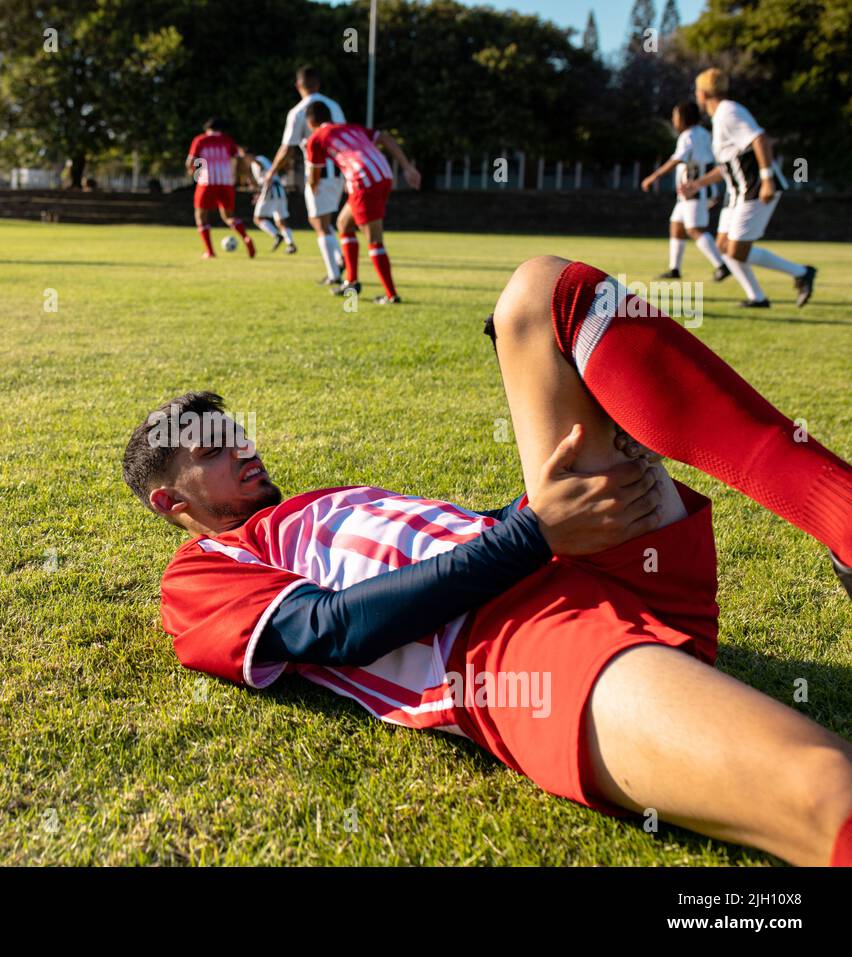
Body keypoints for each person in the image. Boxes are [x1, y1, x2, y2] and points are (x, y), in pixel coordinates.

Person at [122, 255, 852, 866]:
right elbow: (332, 628)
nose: (243, 452)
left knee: (538, 296)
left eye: (237, 435)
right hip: (511, 652)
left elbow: (478, 536)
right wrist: (530, 533)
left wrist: (538, 499)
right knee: (825, 790)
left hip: (585, 559)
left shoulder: (317, 501)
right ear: (168, 501)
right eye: (213, 452)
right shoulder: (199, 573)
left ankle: (841, 516)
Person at [679, 69, 815, 308]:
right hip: (738, 193)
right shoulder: (720, 117)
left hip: (754, 190)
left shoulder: (728, 112)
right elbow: (727, 166)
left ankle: (802, 272)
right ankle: (758, 298)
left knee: (737, 250)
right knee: (723, 247)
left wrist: (767, 179)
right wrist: (697, 185)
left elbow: (760, 139)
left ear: (703, 93)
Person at [304, 102, 421, 305]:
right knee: (343, 224)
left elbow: (315, 173)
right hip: (383, 174)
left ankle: (391, 295)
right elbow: (384, 137)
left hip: (364, 180)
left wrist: (312, 188)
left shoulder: (316, 138)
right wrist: (407, 166)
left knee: (374, 239)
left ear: (311, 122)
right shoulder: (351, 128)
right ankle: (352, 282)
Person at [268, 66, 346, 286]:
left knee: (318, 222)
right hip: (340, 170)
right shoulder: (334, 106)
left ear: (298, 85)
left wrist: (271, 172)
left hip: (319, 171)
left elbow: (287, 148)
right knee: (327, 221)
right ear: (318, 83)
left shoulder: (298, 111)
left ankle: (335, 273)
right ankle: (340, 257)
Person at [640, 101, 728, 282]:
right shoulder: (704, 133)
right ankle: (675, 269)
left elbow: (677, 159)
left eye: (675, 116)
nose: (673, 120)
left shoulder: (688, 136)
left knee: (695, 229)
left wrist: (654, 176)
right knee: (676, 226)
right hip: (691, 191)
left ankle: (722, 265)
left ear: (684, 118)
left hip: (693, 189)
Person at [185, 118, 254, 259]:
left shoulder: (200, 140)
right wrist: (242, 177)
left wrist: (194, 173)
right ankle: (246, 238)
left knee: (201, 216)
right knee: (228, 216)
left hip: (206, 182)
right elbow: (239, 160)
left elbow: (191, 162)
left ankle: (210, 251)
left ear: (207, 129)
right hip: (226, 182)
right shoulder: (228, 141)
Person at [248, 155, 296, 253]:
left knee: (258, 219)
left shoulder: (256, 161)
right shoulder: (263, 159)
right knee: (281, 220)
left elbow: (264, 173)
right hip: (280, 191)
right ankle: (291, 244)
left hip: (271, 191)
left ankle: (277, 236)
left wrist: (263, 194)